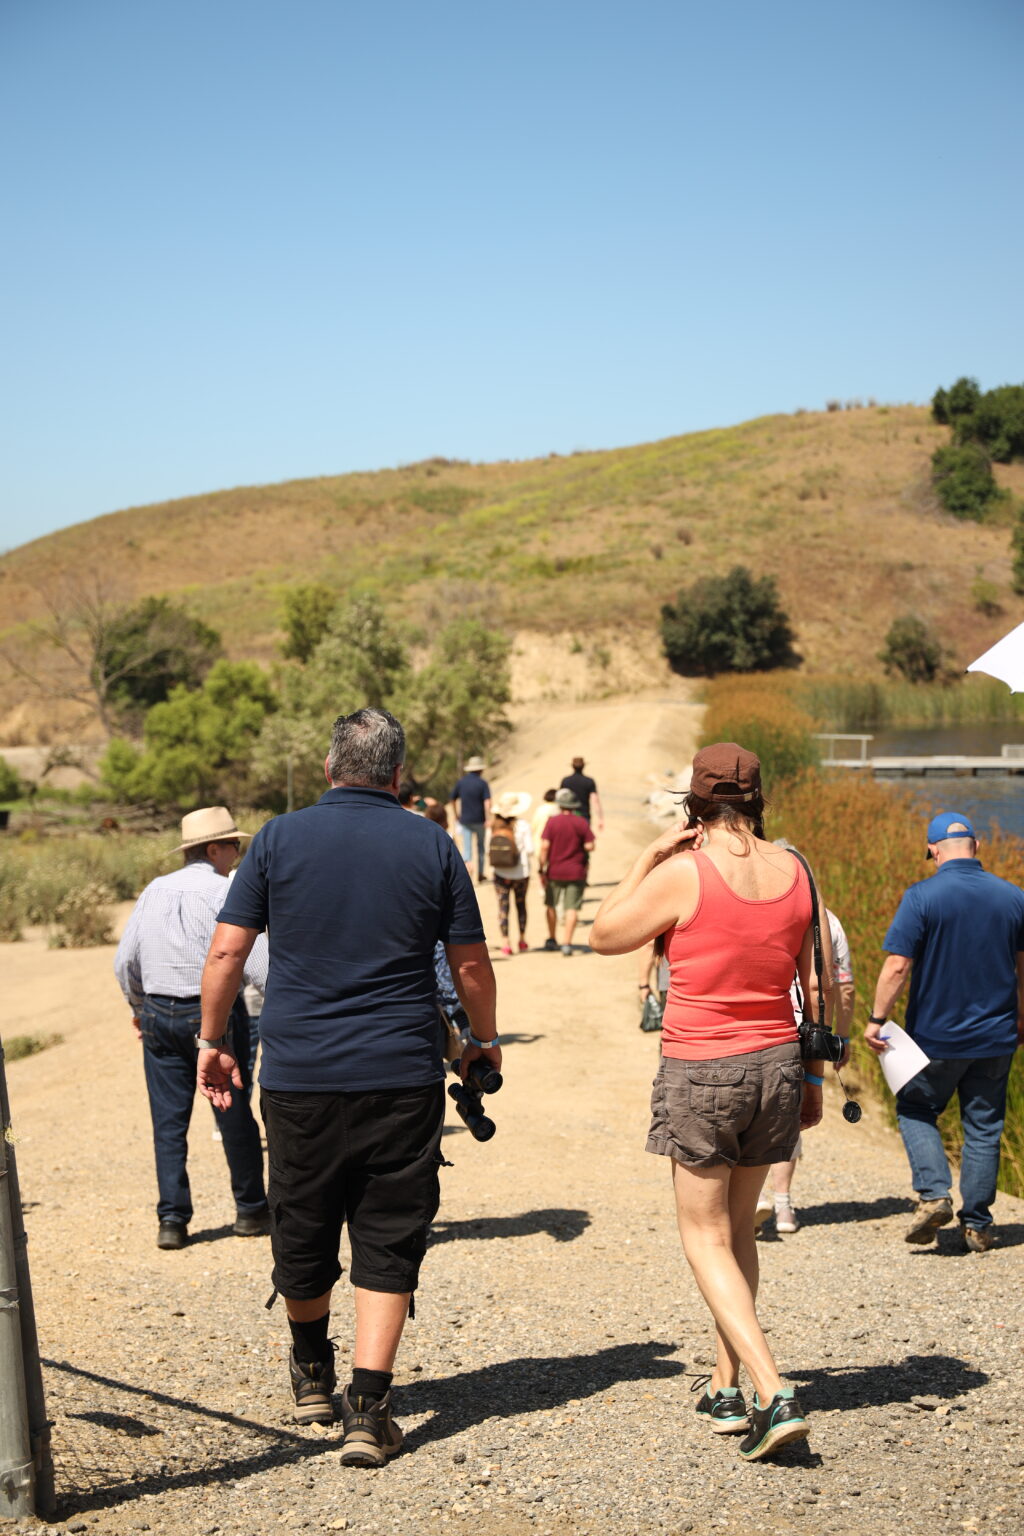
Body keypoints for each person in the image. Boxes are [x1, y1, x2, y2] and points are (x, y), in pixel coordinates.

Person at [198, 707, 500, 1467]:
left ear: (331, 768)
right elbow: (468, 965)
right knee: (389, 1230)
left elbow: (229, 950)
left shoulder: (275, 839)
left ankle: (310, 1369)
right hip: (400, 1073)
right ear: (398, 776)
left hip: (299, 1074)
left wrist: (210, 1042)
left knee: (301, 1218)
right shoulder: (430, 842)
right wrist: (484, 1042)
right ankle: (368, 1407)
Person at [590, 743, 831, 1462]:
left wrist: (647, 858)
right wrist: (813, 1081)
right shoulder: (797, 870)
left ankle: (771, 1388)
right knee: (739, 1231)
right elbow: (815, 987)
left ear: (695, 805)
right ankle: (726, 1386)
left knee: (703, 1239)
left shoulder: (683, 873)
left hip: (704, 1070)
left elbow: (604, 934)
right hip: (780, 1065)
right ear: (757, 799)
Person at [866, 811, 1024, 1253]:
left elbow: (898, 965)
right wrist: (1021, 1017)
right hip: (996, 1037)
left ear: (934, 850)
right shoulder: (1014, 897)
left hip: (935, 1038)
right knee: (984, 1126)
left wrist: (877, 1019)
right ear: (976, 847)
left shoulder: (921, 897)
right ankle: (976, 1224)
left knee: (916, 1109)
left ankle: (935, 1195)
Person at [113, 806, 270, 1250]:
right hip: (214, 1016)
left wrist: (140, 1007)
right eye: (233, 844)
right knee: (234, 1111)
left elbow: (125, 961)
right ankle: (250, 1209)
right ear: (215, 848)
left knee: (168, 1121)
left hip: (160, 1012)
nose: (238, 852)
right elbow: (257, 964)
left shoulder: (154, 890)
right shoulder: (225, 892)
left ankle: (172, 1220)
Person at [755, 847, 856, 1234]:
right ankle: (783, 1206)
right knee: (789, 1120)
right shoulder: (829, 921)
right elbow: (840, 987)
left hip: (767, 1028)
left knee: (753, 1112)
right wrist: (839, 1038)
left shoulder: (757, 909)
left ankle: (754, 1198)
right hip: (809, 1032)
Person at [539, 788, 595, 955]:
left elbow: (544, 847)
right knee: (572, 908)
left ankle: (551, 938)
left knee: (551, 905)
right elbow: (590, 846)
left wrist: (542, 867)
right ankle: (567, 943)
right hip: (576, 871)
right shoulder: (581, 822)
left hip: (554, 871)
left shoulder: (552, 822)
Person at [487, 791, 533, 955]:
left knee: (503, 907)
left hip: (500, 873)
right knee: (521, 905)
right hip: (521, 873)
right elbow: (529, 849)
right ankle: (521, 939)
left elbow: (488, 850)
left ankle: (505, 943)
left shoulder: (493, 827)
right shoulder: (523, 826)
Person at [450, 755, 492, 883]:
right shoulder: (482, 783)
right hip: (480, 820)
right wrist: (489, 818)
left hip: (465, 821)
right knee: (480, 848)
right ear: (480, 770)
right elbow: (488, 802)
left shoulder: (461, 782)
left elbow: (452, 798)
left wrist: (456, 813)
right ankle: (480, 874)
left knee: (467, 848)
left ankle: (467, 873)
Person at [560, 756, 604, 830]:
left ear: (572, 767)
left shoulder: (566, 781)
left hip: (568, 815)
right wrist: (600, 818)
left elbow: (560, 798)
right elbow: (595, 800)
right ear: (583, 766)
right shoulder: (589, 781)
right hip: (584, 816)